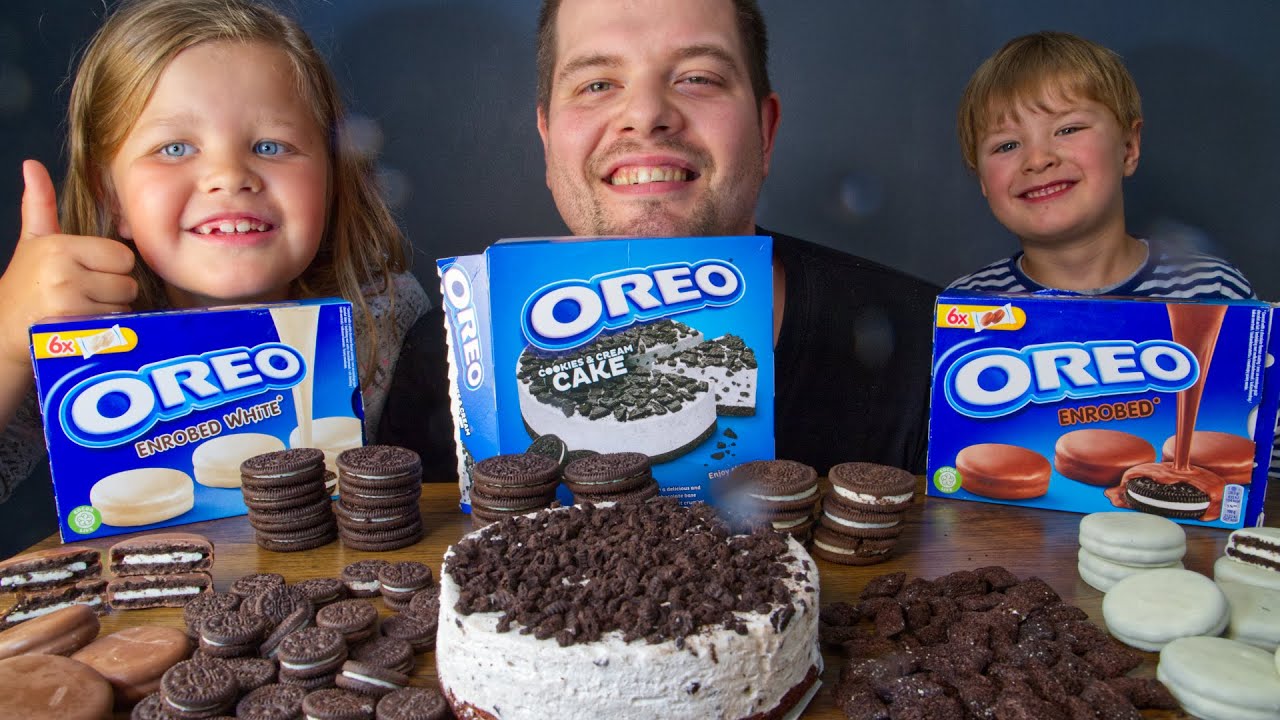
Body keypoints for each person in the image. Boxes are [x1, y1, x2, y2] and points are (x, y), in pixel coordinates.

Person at [381, 0, 940, 477]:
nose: (647, 115)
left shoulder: (929, 342)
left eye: (697, 77)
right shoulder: (450, 357)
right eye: (597, 83)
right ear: (548, 138)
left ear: (765, 133)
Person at [0, 0, 428, 508]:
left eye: (271, 146)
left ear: (332, 181)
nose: (229, 175)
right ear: (111, 198)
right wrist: (7, 343)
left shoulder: (386, 316)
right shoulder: (68, 338)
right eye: (175, 148)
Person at [950, 31, 1253, 299]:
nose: (1038, 160)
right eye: (1007, 145)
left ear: (1129, 148)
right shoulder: (964, 309)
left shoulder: (1213, 291)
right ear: (982, 180)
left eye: (1068, 130)